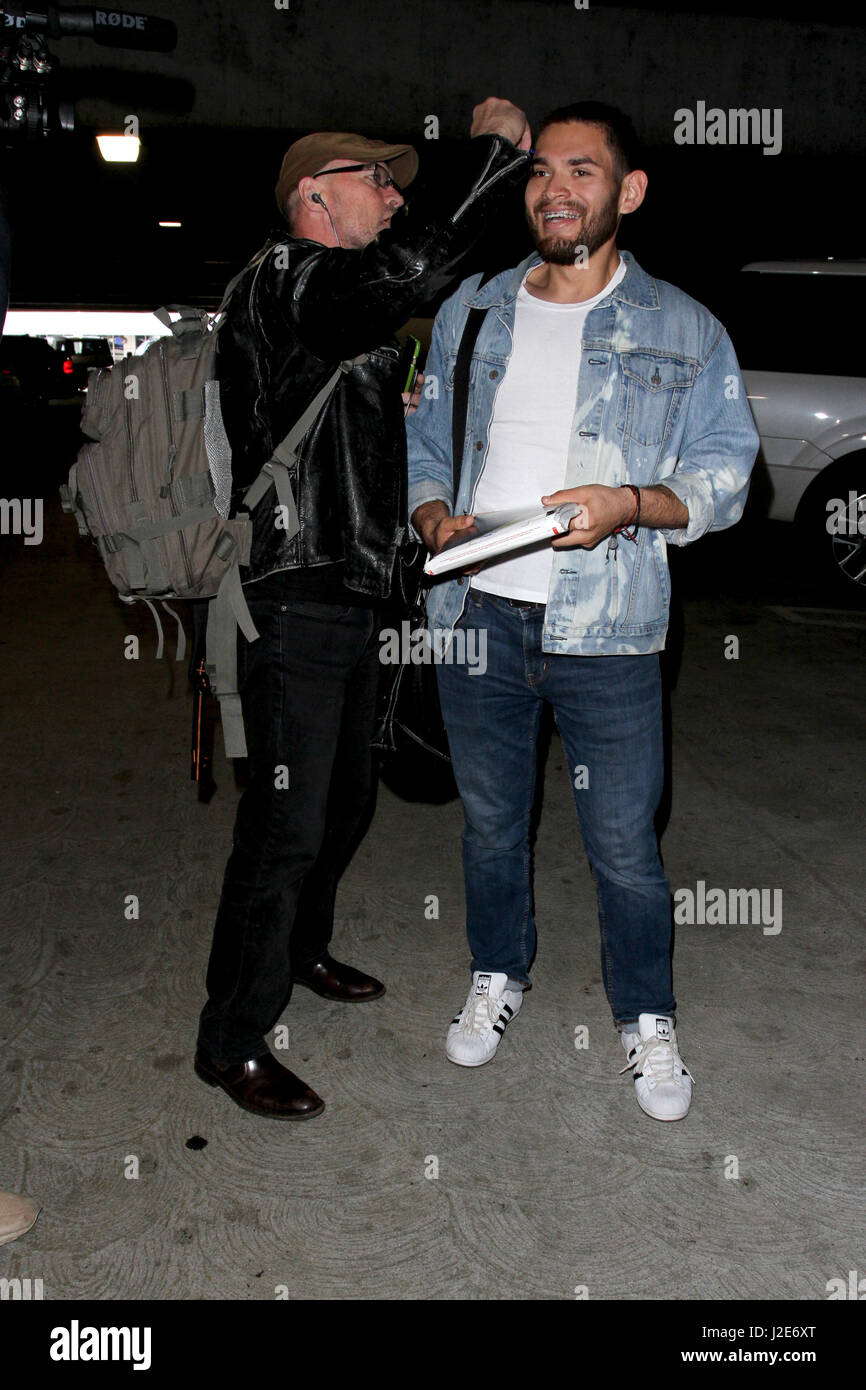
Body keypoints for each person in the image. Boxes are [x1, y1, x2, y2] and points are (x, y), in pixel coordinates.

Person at [407, 101, 759, 1122]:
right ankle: (497, 969)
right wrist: (430, 508)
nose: (554, 188)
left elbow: (725, 476)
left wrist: (629, 507)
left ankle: (644, 1016)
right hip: (477, 610)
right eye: (538, 171)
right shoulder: (471, 309)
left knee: (621, 845)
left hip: (608, 629)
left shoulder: (685, 329)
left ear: (627, 191)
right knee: (488, 825)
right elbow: (428, 431)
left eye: (581, 169)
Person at [195, 99, 532, 1121]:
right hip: (292, 597)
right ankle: (230, 1040)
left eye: (398, 182)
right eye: (374, 180)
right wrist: (495, 157)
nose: (391, 196)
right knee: (285, 824)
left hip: (354, 591)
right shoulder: (289, 279)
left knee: (342, 804)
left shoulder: (341, 308)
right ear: (313, 195)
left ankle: (300, 952)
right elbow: (409, 274)